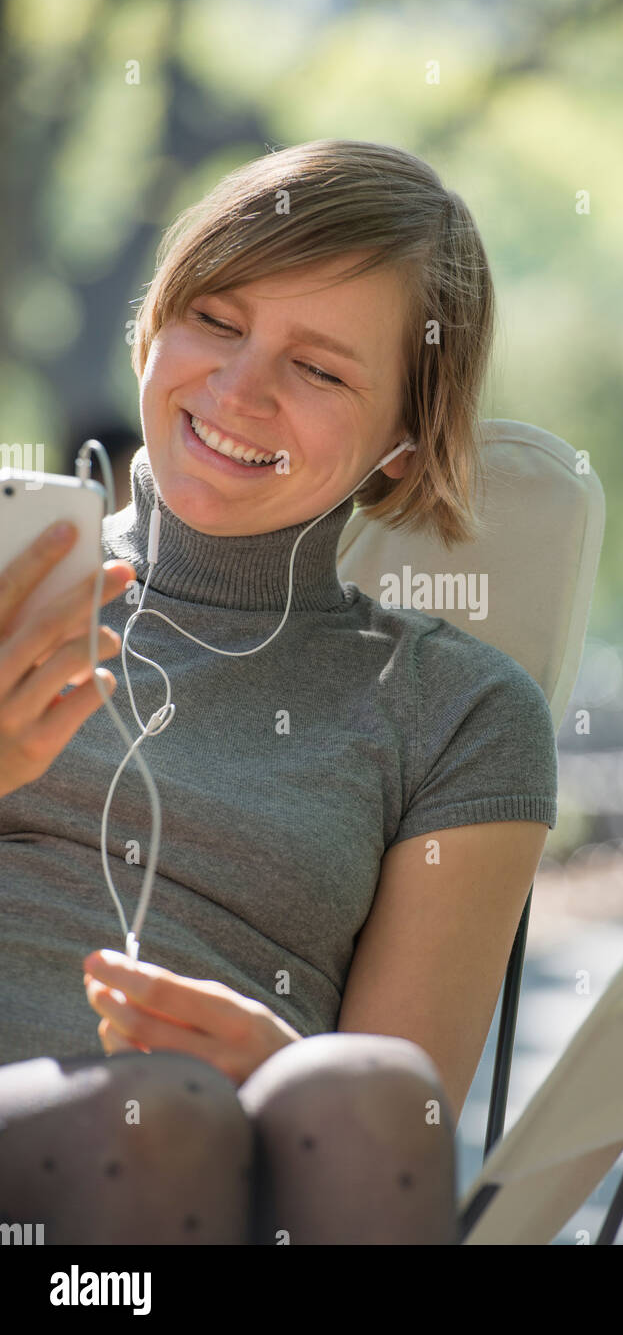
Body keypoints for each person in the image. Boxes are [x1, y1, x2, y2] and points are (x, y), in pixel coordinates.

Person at [0, 139, 558, 1245]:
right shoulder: (10, 577)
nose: (239, 389)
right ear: (155, 322)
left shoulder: (460, 713)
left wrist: (277, 1066)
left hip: (267, 1179)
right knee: (152, 1109)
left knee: (363, 1092)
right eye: (215, 318)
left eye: (321, 368)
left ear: (405, 440)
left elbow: (412, 1101)